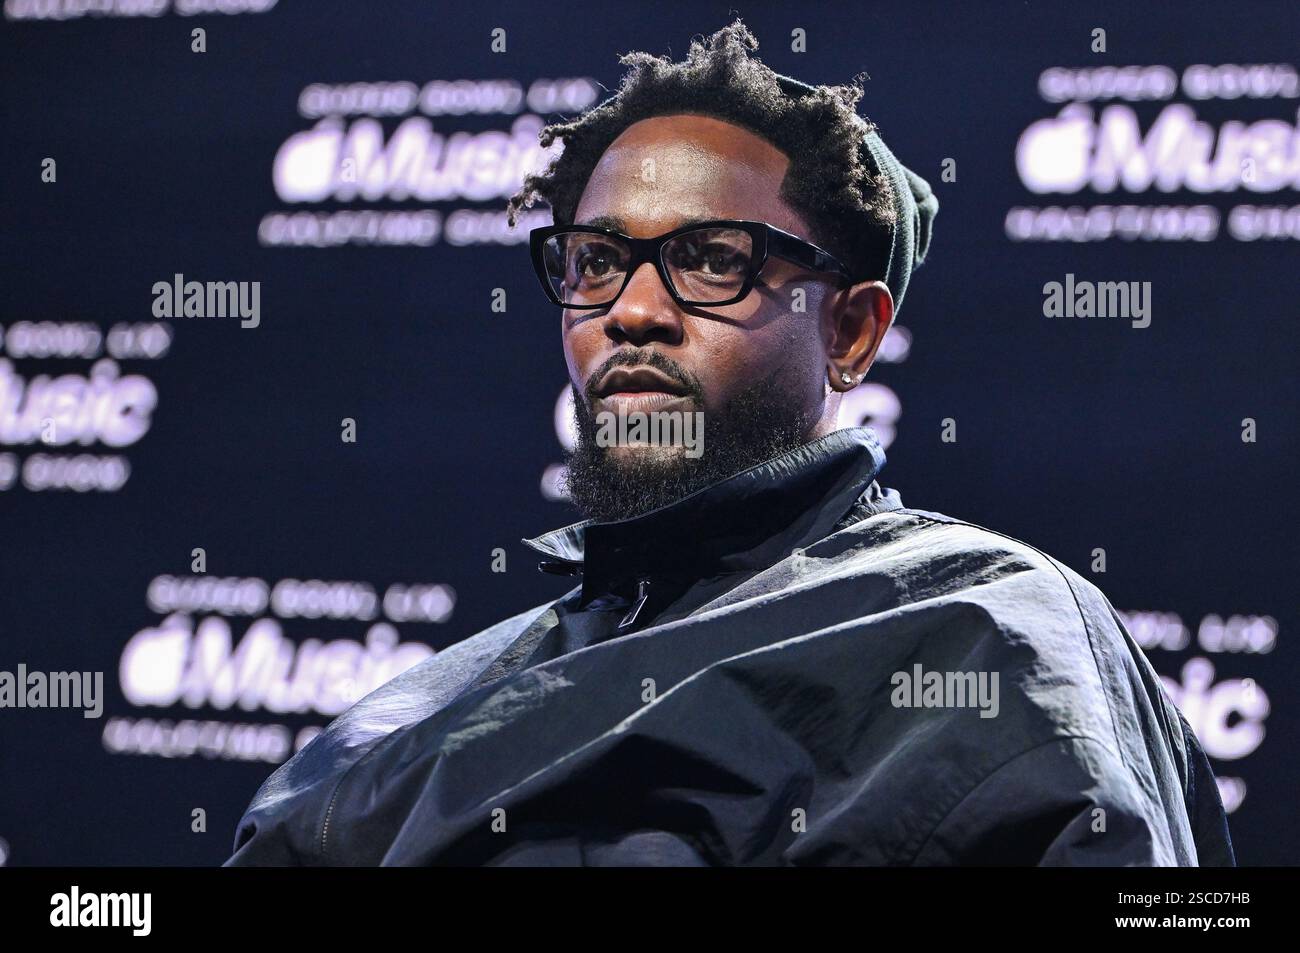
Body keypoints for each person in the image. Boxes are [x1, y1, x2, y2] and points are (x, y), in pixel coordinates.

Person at [225, 21, 1234, 866]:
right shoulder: (417, 711)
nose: (632, 310)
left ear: (851, 332)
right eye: (597, 260)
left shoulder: (988, 627)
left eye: (710, 259)